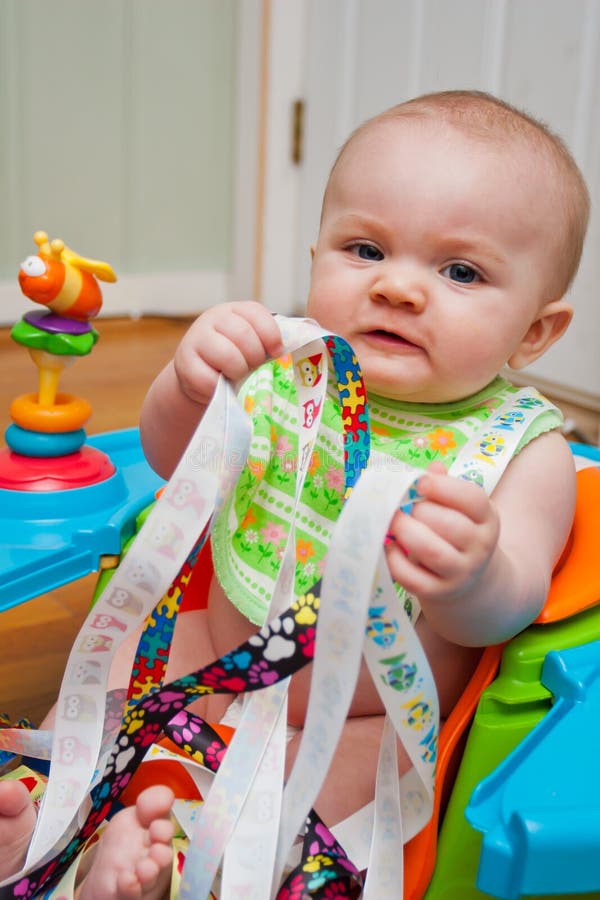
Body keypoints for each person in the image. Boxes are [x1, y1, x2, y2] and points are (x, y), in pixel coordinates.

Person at [0, 89, 589, 897]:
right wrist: (189, 381)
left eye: (460, 271)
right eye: (366, 249)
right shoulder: (287, 369)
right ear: (315, 260)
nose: (398, 289)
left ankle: (172, 868)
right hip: (217, 641)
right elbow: (175, 463)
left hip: (361, 715)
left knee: (300, 802)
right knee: (116, 680)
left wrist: (476, 573)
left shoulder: (526, 450)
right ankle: (49, 816)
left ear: (535, 331)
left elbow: (511, 603)